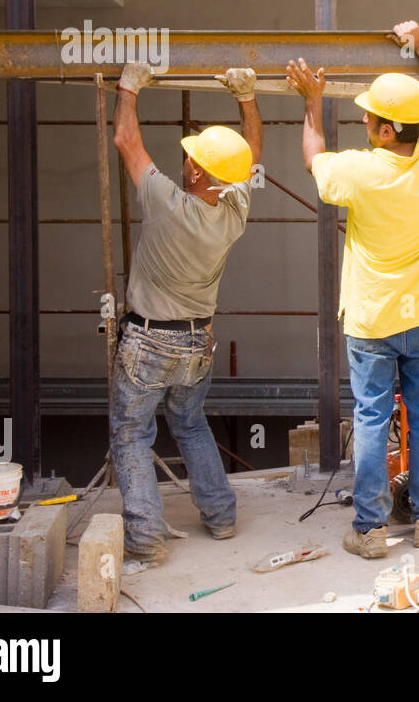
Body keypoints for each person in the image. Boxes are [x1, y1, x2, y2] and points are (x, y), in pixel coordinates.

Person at [287, 21, 419, 559]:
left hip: (374, 318)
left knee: (370, 417)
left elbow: (313, 159)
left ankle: (370, 530)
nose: (363, 117)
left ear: (388, 130)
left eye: (369, 115)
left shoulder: (362, 172)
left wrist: (312, 101)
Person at [110, 62, 262, 565]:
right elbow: (250, 155)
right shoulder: (233, 211)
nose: (186, 163)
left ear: (197, 172)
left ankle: (147, 541)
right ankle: (220, 518)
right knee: (191, 423)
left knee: (132, 434)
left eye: (191, 159)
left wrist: (129, 87)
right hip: (197, 342)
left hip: (148, 340)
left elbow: (126, 142)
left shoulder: (164, 202)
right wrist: (248, 97)